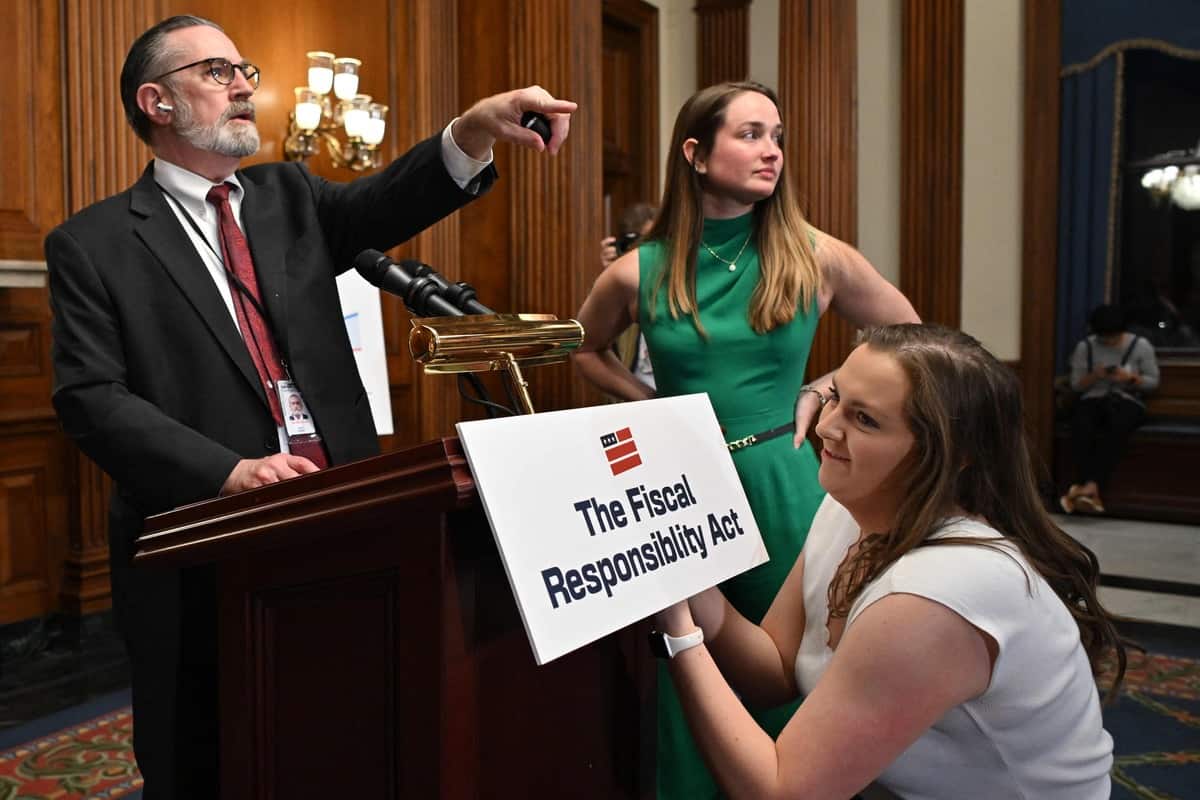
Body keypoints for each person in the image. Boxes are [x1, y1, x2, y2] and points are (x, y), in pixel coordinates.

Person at [45, 14, 574, 798]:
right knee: (204, 752)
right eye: (217, 72)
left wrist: (469, 132)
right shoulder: (92, 244)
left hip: (345, 516)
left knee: (342, 728)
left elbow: (389, 202)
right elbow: (91, 397)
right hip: (202, 540)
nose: (244, 85)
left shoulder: (288, 195)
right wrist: (227, 472)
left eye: (245, 70)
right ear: (156, 103)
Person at [572, 81, 918, 799]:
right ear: (695, 153)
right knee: (687, 656)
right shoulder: (639, 268)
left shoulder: (817, 255)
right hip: (679, 486)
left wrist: (826, 390)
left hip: (784, 483)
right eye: (752, 134)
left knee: (798, 662)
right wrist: (656, 407)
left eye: (778, 137)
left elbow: (910, 337)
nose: (772, 152)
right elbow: (581, 348)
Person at [653, 323, 1126, 800]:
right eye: (834, 398)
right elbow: (774, 670)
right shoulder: (848, 506)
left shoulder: (939, 591)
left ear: (948, 454)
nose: (824, 427)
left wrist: (678, 628)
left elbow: (779, 792)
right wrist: (682, 576)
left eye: (865, 420)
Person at [1061, 303, 1160, 514]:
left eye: (1113, 338)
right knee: (1081, 425)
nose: (1108, 342)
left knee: (1116, 427)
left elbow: (1153, 383)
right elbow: (1076, 384)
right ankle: (1090, 489)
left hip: (1127, 400)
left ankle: (1084, 487)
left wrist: (1131, 378)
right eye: (1104, 338)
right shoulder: (1085, 347)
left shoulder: (1140, 346)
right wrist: (1095, 376)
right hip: (1093, 398)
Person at [601, 202, 659, 387]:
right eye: (641, 244)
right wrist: (610, 277)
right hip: (638, 402)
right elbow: (595, 347)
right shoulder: (622, 290)